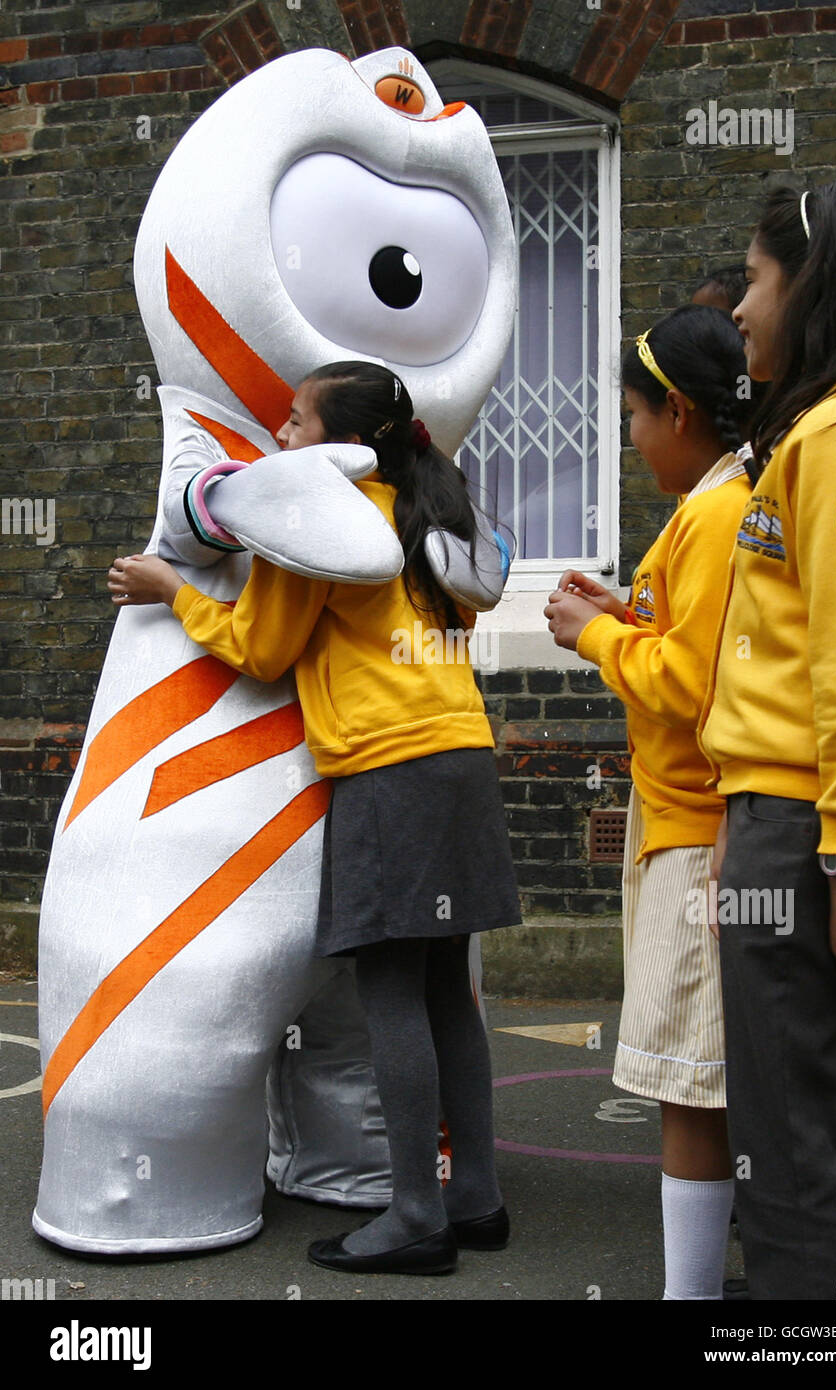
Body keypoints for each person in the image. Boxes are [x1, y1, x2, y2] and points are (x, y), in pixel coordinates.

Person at [107, 360, 521, 1276]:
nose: (282, 439)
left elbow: (262, 650)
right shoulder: (422, 510)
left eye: (295, 423)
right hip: (460, 756)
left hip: (389, 771)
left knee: (390, 994)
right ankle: (476, 1197)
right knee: (448, 987)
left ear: (345, 443)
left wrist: (172, 591)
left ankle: (415, 1214)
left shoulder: (316, 521)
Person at [700, 175, 836, 1299]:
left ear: (809, 285)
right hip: (778, 812)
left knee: (787, 1102)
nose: (738, 307)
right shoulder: (824, 430)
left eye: (757, 280)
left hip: (804, 821)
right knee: (782, 1095)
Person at [545, 305, 752, 1299]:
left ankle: (693, 1300)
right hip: (684, 821)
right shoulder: (718, 503)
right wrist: (623, 615)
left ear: (677, 411)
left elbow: (691, 684)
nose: (626, 436)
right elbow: (691, 646)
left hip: (695, 830)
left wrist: (592, 635)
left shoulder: (714, 515)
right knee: (697, 1071)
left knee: (687, 1077)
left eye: (632, 413)